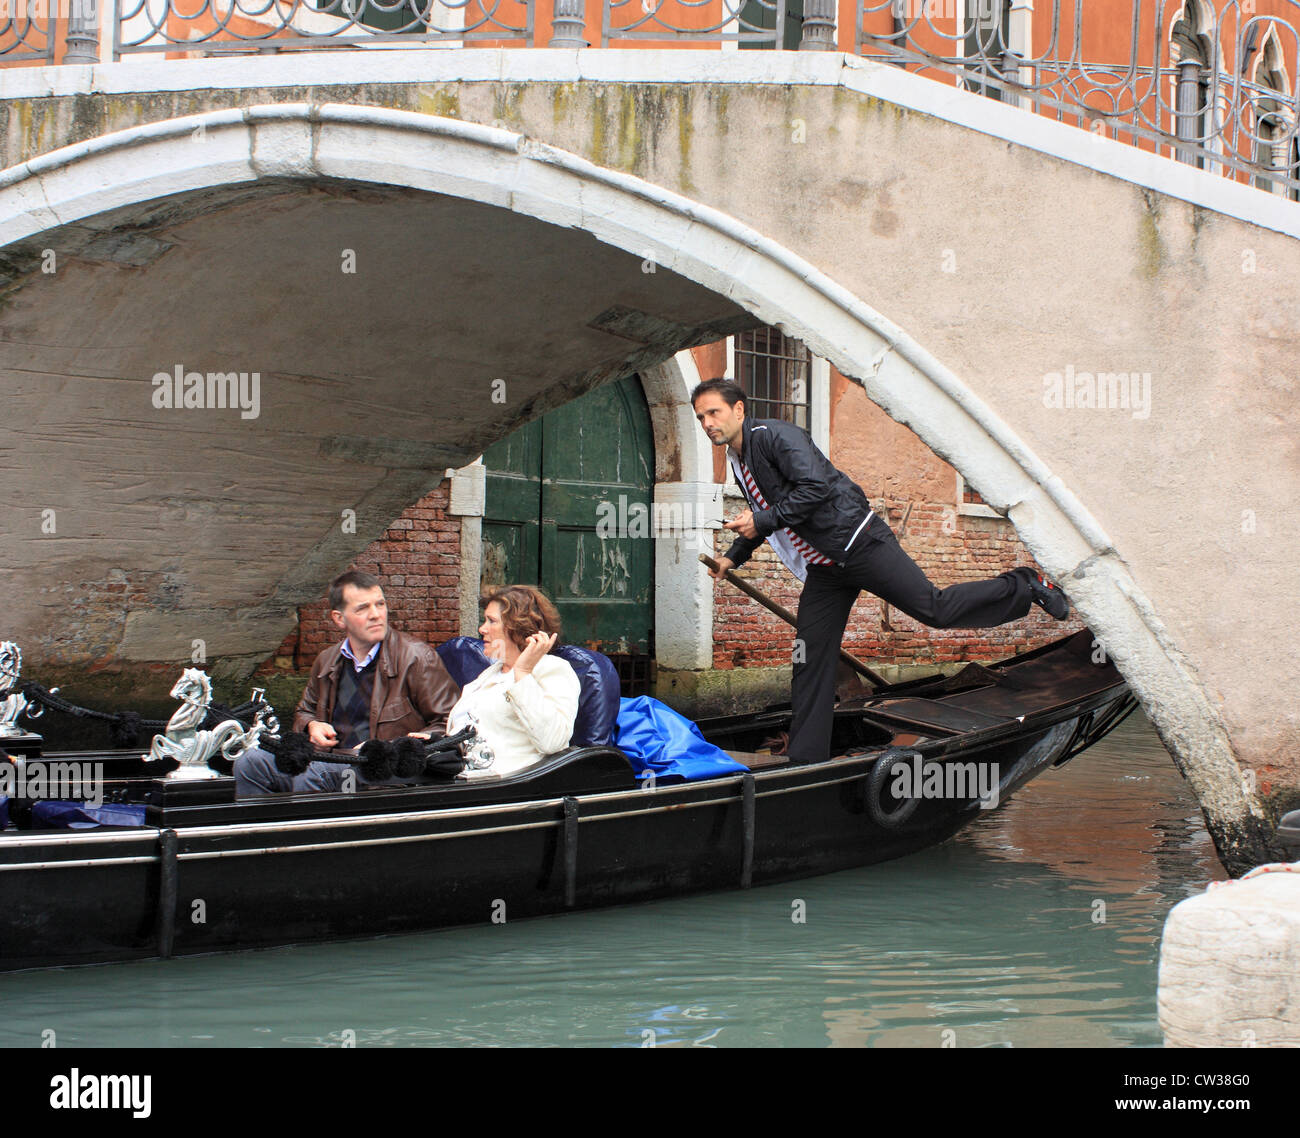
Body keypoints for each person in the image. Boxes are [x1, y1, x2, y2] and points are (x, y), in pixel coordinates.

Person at [692, 377, 1070, 767]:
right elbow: (769, 515)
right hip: (826, 568)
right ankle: (806, 762)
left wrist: (762, 519)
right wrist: (732, 557)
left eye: (714, 412)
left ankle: (1024, 584)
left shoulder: (774, 436)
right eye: (701, 416)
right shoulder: (740, 458)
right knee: (810, 658)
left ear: (738, 409)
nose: (707, 423)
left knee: (935, 610)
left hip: (859, 544)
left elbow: (814, 487)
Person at [232, 569, 458, 796]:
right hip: (331, 759)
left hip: (380, 771)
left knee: (312, 774)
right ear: (339, 619)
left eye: (380, 604)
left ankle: (312, 831)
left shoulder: (417, 657)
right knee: (250, 762)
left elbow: (449, 723)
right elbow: (305, 711)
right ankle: (261, 830)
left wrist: (389, 747)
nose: (376, 615)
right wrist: (312, 726)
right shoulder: (326, 661)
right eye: (363, 608)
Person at [426, 584, 580, 779]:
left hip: (512, 788)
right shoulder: (493, 672)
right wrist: (439, 742)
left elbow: (553, 741)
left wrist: (523, 673)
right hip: (464, 778)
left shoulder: (552, 669)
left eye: (491, 621)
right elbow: (477, 729)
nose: (482, 629)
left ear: (518, 628)